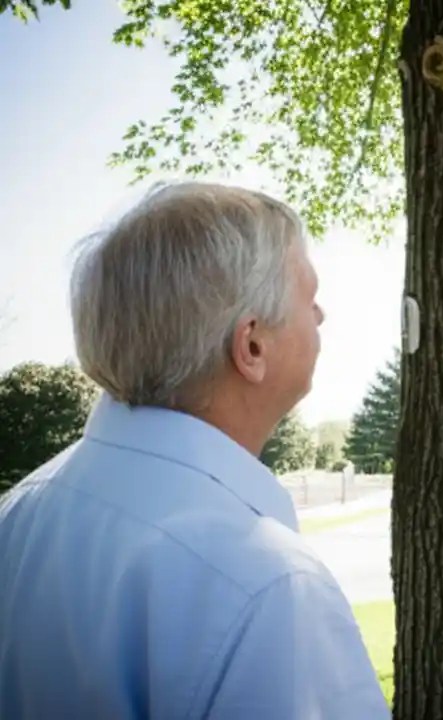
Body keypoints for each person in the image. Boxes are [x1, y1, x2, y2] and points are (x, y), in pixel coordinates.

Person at [0, 182, 390, 719]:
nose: (320, 315)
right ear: (252, 346)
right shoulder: (266, 583)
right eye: (308, 295)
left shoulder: (20, 511)